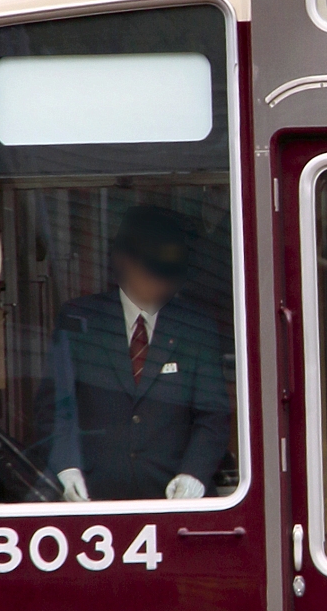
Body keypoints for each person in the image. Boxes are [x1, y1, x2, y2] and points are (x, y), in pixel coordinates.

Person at [45, 203, 231, 503]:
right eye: (151, 272)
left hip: (176, 500)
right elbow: (57, 407)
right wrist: (65, 467)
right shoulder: (80, 319)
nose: (160, 285)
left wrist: (194, 474)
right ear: (124, 263)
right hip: (94, 499)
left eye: (168, 277)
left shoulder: (196, 327)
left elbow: (213, 416)